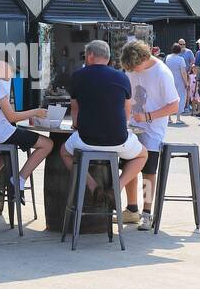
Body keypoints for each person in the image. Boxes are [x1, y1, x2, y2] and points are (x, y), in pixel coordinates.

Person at [62, 40, 147, 202]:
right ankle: (117, 187)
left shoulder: (78, 76)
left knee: (64, 152)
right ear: (107, 58)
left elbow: (75, 109)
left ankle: (93, 187)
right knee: (142, 155)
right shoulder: (122, 77)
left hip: (86, 140)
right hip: (118, 139)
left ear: (91, 55)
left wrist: (76, 125)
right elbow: (126, 110)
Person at [120, 40, 181, 229]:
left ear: (145, 58)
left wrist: (147, 116)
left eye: (136, 67)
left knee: (148, 171)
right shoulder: (130, 68)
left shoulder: (162, 73)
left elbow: (174, 105)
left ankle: (147, 212)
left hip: (153, 129)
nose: (134, 71)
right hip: (132, 125)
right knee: (129, 166)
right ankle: (131, 209)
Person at [0, 58, 52, 199]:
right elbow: (11, 117)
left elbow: (7, 114)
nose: (12, 73)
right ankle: (19, 181)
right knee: (47, 144)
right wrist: (35, 111)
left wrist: (26, 115)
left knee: (11, 143)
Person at [163, 44, 189, 124]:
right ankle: (178, 118)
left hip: (169, 80)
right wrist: (186, 82)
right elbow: (183, 72)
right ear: (179, 50)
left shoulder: (168, 58)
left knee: (169, 98)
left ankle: (169, 118)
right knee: (180, 97)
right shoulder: (181, 59)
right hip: (179, 81)